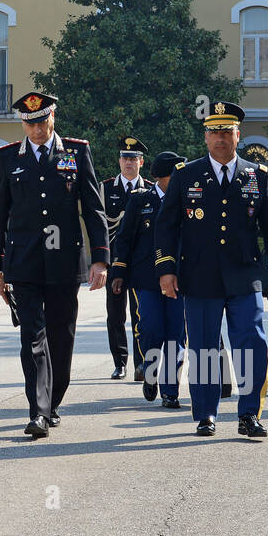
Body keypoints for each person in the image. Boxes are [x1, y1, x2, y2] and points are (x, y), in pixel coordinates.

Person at [154, 101, 268, 438]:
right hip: (199, 276)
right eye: (214, 132)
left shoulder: (257, 175)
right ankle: (206, 414)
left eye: (226, 132)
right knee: (204, 347)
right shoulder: (186, 175)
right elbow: (166, 226)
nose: (220, 138)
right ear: (205, 137)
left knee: (252, 344)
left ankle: (249, 414)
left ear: (237, 135)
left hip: (245, 276)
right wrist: (166, 269)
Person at [0, 92, 109, 438]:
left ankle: (53, 400)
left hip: (63, 261)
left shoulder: (76, 151)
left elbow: (93, 207)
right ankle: (38, 411)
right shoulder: (9, 156)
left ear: (53, 116)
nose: (37, 129)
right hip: (23, 262)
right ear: (22, 124)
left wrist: (100, 258)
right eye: (30, 123)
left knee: (61, 335)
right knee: (32, 336)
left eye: (42, 121)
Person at [110, 151, 186, 409]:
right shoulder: (140, 200)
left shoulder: (188, 201)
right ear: (161, 178)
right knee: (151, 328)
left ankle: (170, 390)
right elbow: (123, 238)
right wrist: (119, 271)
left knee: (177, 334)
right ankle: (151, 371)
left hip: (180, 279)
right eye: (174, 176)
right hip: (146, 278)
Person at [102, 136, 150, 380]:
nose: (128, 162)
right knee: (115, 315)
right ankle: (119, 362)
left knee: (140, 315)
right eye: (125, 158)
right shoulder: (106, 188)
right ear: (119, 161)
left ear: (141, 162)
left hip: (140, 263)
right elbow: (100, 228)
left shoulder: (150, 190)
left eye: (133, 158)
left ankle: (141, 364)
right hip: (114, 262)